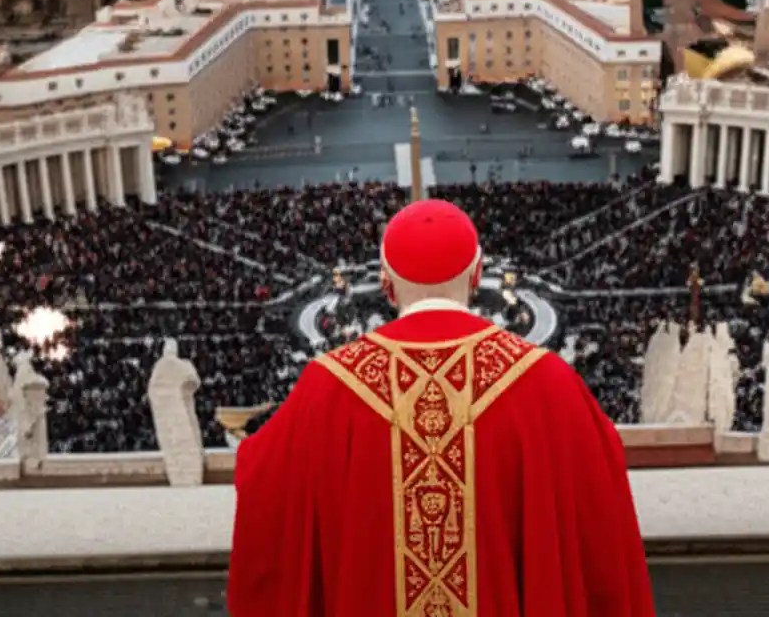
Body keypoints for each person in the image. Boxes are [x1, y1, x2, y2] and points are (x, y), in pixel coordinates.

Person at [228, 199, 655, 617]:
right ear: (476, 275)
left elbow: (265, 488)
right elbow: (599, 520)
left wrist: (239, 438)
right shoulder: (546, 382)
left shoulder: (328, 386)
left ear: (386, 283)